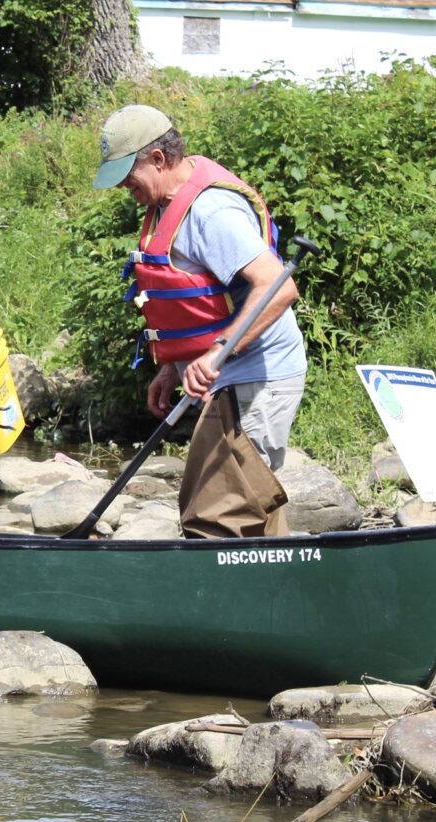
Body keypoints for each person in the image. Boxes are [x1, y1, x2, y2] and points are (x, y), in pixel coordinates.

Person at [93, 105, 307, 538]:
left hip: (261, 376)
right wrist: (171, 367)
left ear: (158, 159)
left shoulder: (211, 212)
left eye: (126, 173)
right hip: (228, 375)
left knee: (223, 512)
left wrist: (213, 354)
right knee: (227, 503)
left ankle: (240, 599)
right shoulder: (165, 203)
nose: (122, 186)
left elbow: (278, 288)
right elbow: (198, 300)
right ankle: (272, 594)